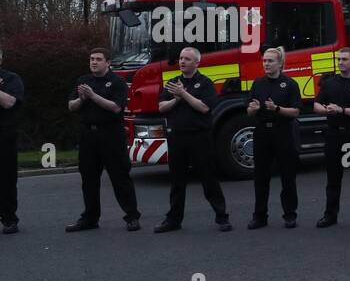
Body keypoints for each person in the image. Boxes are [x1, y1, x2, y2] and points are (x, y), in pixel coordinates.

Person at [155, 46, 232, 233]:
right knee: (177, 181)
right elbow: (162, 107)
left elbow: (204, 108)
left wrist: (183, 94)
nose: (182, 62)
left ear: (197, 62)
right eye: (181, 58)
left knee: (208, 178)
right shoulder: (172, 82)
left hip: (199, 137)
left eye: (187, 59)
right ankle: (173, 220)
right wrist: (176, 99)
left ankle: (222, 217)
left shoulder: (205, 83)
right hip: (177, 137)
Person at [66, 46, 141, 232]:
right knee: (89, 178)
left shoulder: (117, 82)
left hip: (111, 135)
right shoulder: (83, 81)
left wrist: (93, 96)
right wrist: (82, 99)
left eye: (98, 59)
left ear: (108, 63)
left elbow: (116, 107)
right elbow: (71, 106)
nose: (94, 62)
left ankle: (132, 216)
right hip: (88, 136)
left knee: (120, 177)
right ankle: (90, 218)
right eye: (92, 59)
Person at [314, 47, 350, 228]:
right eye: (339, 59)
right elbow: (316, 104)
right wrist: (325, 110)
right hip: (334, 136)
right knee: (333, 178)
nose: (340, 62)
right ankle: (330, 215)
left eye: (344, 59)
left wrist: (342, 110)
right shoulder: (329, 83)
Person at [246, 46, 301, 229]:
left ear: (280, 64)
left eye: (270, 61)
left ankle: (290, 215)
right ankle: (259, 216)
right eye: (264, 61)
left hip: (283, 132)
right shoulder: (258, 83)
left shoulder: (290, 84)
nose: (266, 64)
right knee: (261, 177)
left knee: (287, 176)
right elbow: (250, 109)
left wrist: (277, 109)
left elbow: (295, 112)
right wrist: (252, 110)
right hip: (262, 133)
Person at [0, 46, 24, 235]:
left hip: (4, 136)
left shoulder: (11, 79)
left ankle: (9, 219)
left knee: (6, 179)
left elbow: (9, 102)